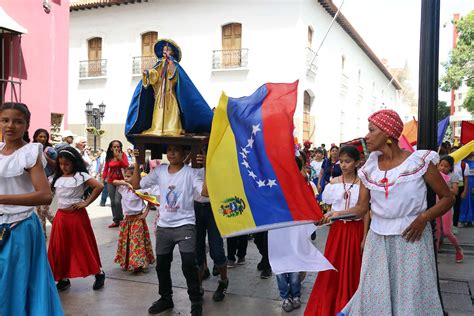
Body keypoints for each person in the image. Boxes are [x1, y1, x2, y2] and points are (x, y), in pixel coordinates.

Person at [322, 109, 455, 315]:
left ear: (387, 133)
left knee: (410, 296)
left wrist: (424, 218)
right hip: (378, 240)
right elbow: (361, 208)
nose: (366, 136)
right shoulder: (369, 169)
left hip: (412, 239)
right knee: (375, 292)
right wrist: (335, 214)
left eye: (371, 130)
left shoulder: (418, 162)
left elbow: (448, 198)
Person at [0, 102, 63, 315]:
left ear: (26, 125)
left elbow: (44, 194)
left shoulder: (30, 152)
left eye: (18, 121)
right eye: (5, 120)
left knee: (14, 284)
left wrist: (1, 199)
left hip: (20, 228)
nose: (11, 126)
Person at [131, 145, 207, 316]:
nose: (171, 153)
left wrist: (207, 166)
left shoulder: (191, 173)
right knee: (162, 266)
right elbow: (136, 185)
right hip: (164, 226)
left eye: (176, 149)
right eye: (169, 149)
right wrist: (137, 162)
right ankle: (166, 298)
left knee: (189, 264)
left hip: (185, 225)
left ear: (186, 153)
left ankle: (195, 301)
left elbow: (206, 192)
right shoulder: (160, 170)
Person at [305, 145, 369, 316]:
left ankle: (352, 306)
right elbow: (329, 209)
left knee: (354, 268)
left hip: (356, 230)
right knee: (334, 268)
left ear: (357, 162)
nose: (344, 165)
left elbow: (366, 213)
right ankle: (331, 304)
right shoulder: (333, 183)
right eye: (341, 161)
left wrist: (365, 237)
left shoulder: (363, 184)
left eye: (348, 161)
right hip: (338, 231)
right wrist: (325, 217)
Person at [48, 146, 105, 292]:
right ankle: (62, 278)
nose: (63, 166)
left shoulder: (81, 176)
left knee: (82, 246)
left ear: (74, 162)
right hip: (61, 217)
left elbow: (99, 186)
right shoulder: (57, 177)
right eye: (61, 164)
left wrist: (85, 202)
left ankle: (98, 273)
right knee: (60, 248)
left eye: (67, 164)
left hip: (77, 217)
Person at [194, 167, 229, 302]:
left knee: (217, 250)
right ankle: (198, 286)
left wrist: (208, 162)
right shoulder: (192, 166)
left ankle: (223, 280)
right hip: (196, 207)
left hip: (215, 207)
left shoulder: (217, 162)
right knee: (197, 250)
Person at [113, 166, 155, 272]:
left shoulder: (139, 190)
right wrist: (126, 183)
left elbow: (151, 199)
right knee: (128, 241)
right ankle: (129, 261)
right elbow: (114, 181)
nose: (126, 178)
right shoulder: (124, 188)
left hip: (138, 219)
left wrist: (145, 213)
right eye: (125, 176)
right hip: (127, 220)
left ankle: (138, 263)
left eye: (129, 176)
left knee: (137, 242)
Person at [436, 155, 464, 262]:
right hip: (436, 205)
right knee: (437, 232)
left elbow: (455, 191)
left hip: (446, 205)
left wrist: (444, 185)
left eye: (446, 166)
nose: (443, 168)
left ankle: (458, 249)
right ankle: (435, 256)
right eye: (441, 165)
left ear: (451, 167)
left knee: (447, 232)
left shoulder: (454, 176)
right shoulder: (436, 175)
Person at [32, 128, 57, 237]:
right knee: (39, 211)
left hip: (49, 181)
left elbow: (57, 165)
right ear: (35, 137)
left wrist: (45, 157)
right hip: (35, 181)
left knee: (44, 209)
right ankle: (42, 234)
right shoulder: (31, 148)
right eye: (40, 136)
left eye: (44, 137)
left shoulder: (50, 150)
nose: (42, 139)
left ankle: (59, 227)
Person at [103, 140, 129, 228]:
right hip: (110, 181)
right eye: (114, 147)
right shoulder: (109, 157)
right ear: (111, 148)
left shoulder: (123, 155)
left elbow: (126, 165)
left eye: (118, 146)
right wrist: (103, 179)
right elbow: (106, 168)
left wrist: (119, 157)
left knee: (118, 201)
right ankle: (116, 220)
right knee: (113, 202)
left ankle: (121, 219)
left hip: (120, 181)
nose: (116, 148)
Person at [460, 151, 474, 226]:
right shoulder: (463, 162)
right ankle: (463, 219)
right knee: (464, 201)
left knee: (472, 201)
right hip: (465, 184)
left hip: (473, 184)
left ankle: (471, 220)